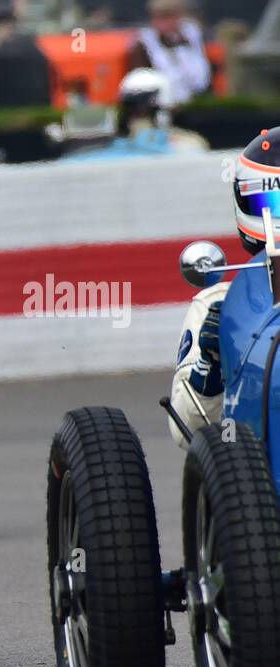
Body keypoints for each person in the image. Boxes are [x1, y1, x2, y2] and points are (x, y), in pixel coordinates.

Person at [169, 128, 280, 448]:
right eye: (272, 202)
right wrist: (209, 366)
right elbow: (184, 432)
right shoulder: (219, 303)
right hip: (253, 472)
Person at [129, 0, 211, 106]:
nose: (164, 23)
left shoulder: (191, 35)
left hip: (197, 97)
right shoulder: (144, 44)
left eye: (169, 17)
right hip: (163, 104)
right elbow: (142, 80)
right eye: (160, 18)